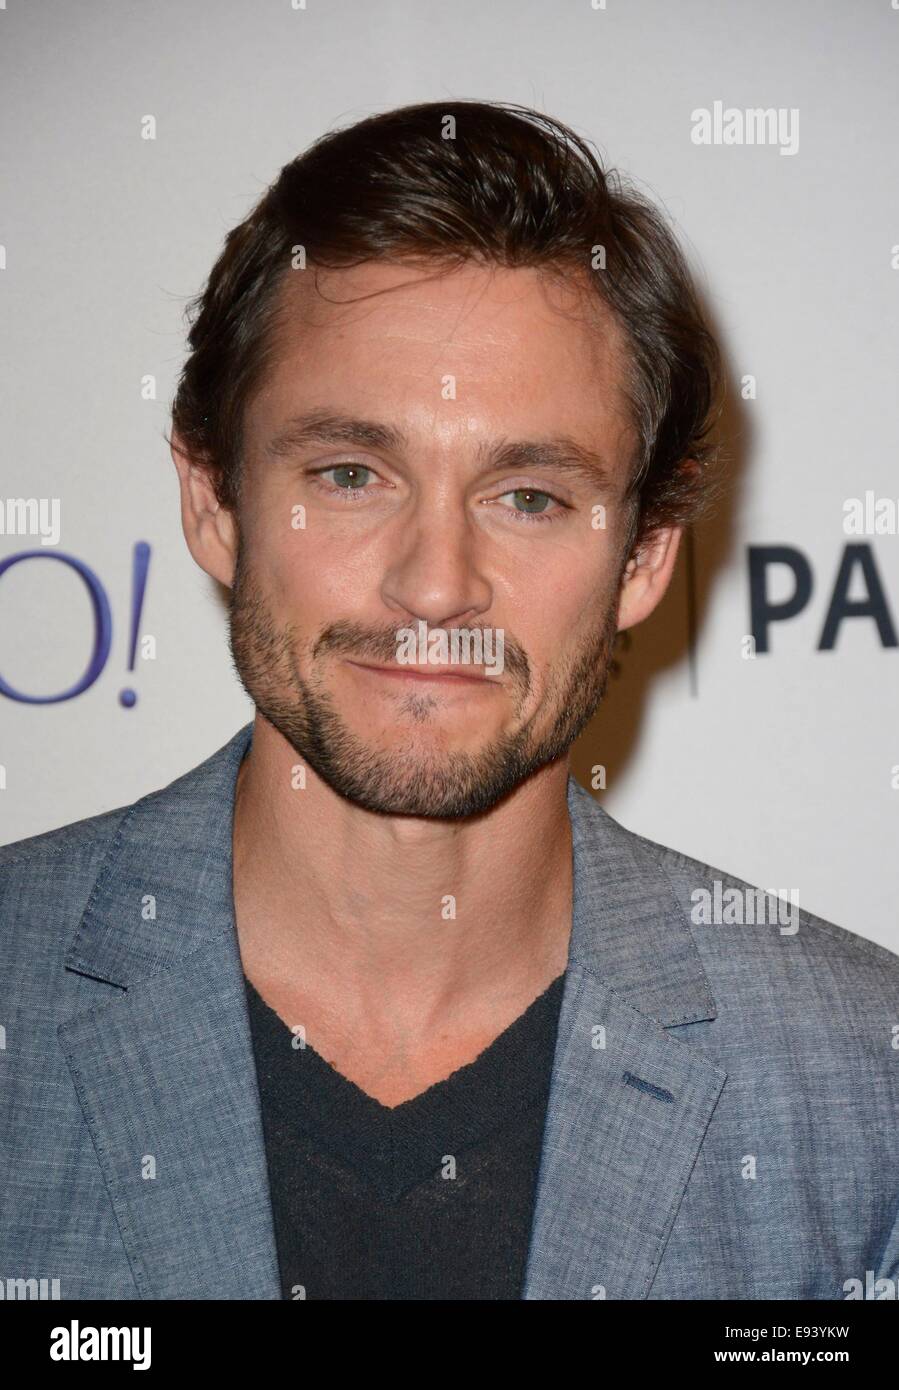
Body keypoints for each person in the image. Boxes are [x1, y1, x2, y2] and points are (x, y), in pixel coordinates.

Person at [1, 100, 897, 1302]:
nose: (434, 581)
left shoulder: (856, 1083)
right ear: (214, 502)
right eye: (350, 473)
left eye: (526, 494)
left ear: (642, 558)